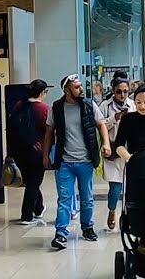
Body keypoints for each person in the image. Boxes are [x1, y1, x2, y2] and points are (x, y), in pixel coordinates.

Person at [43, 73, 111, 251]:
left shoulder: (88, 105)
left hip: (85, 161)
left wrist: (105, 143)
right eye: (76, 87)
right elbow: (49, 132)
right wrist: (45, 155)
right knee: (64, 199)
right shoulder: (56, 108)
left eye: (80, 86)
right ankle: (61, 233)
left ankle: (87, 227)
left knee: (86, 197)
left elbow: (101, 124)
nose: (81, 89)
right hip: (64, 161)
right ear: (67, 90)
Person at [9, 80, 51, 225]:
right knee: (34, 183)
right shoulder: (44, 109)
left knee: (30, 181)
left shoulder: (19, 105)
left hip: (19, 151)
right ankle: (27, 215)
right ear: (42, 92)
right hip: (36, 151)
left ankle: (38, 208)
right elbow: (49, 131)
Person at [100, 78, 135, 230]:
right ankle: (112, 210)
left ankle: (128, 214)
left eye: (125, 91)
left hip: (129, 150)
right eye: (119, 91)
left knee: (130, 186)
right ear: (113, 90)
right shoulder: (105, 106)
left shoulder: (133, 104)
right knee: (115, 186)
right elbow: (100, 125)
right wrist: (114, 118)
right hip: (113, 149)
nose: (122, 95)